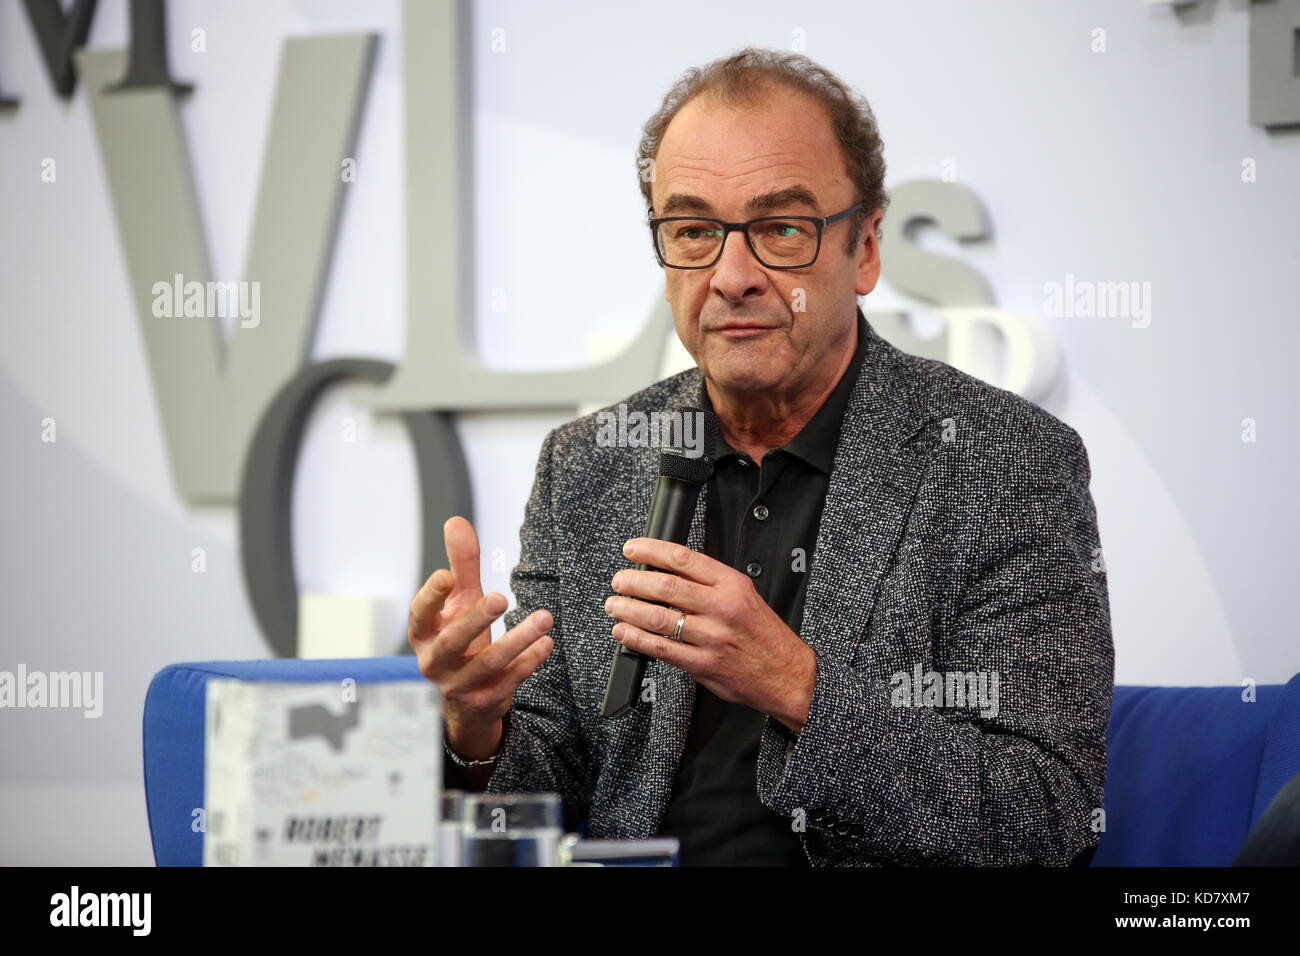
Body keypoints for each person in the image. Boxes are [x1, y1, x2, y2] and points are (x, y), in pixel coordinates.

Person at [407, 48, 1114, 866]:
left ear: (868, 248)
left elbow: (1047, 819)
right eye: (695, 231)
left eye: (780, 228)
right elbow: (550, 792)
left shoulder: (1006, 463)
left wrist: (796, 686)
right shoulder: (591, 464)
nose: (731, 275)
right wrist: (474, 729)